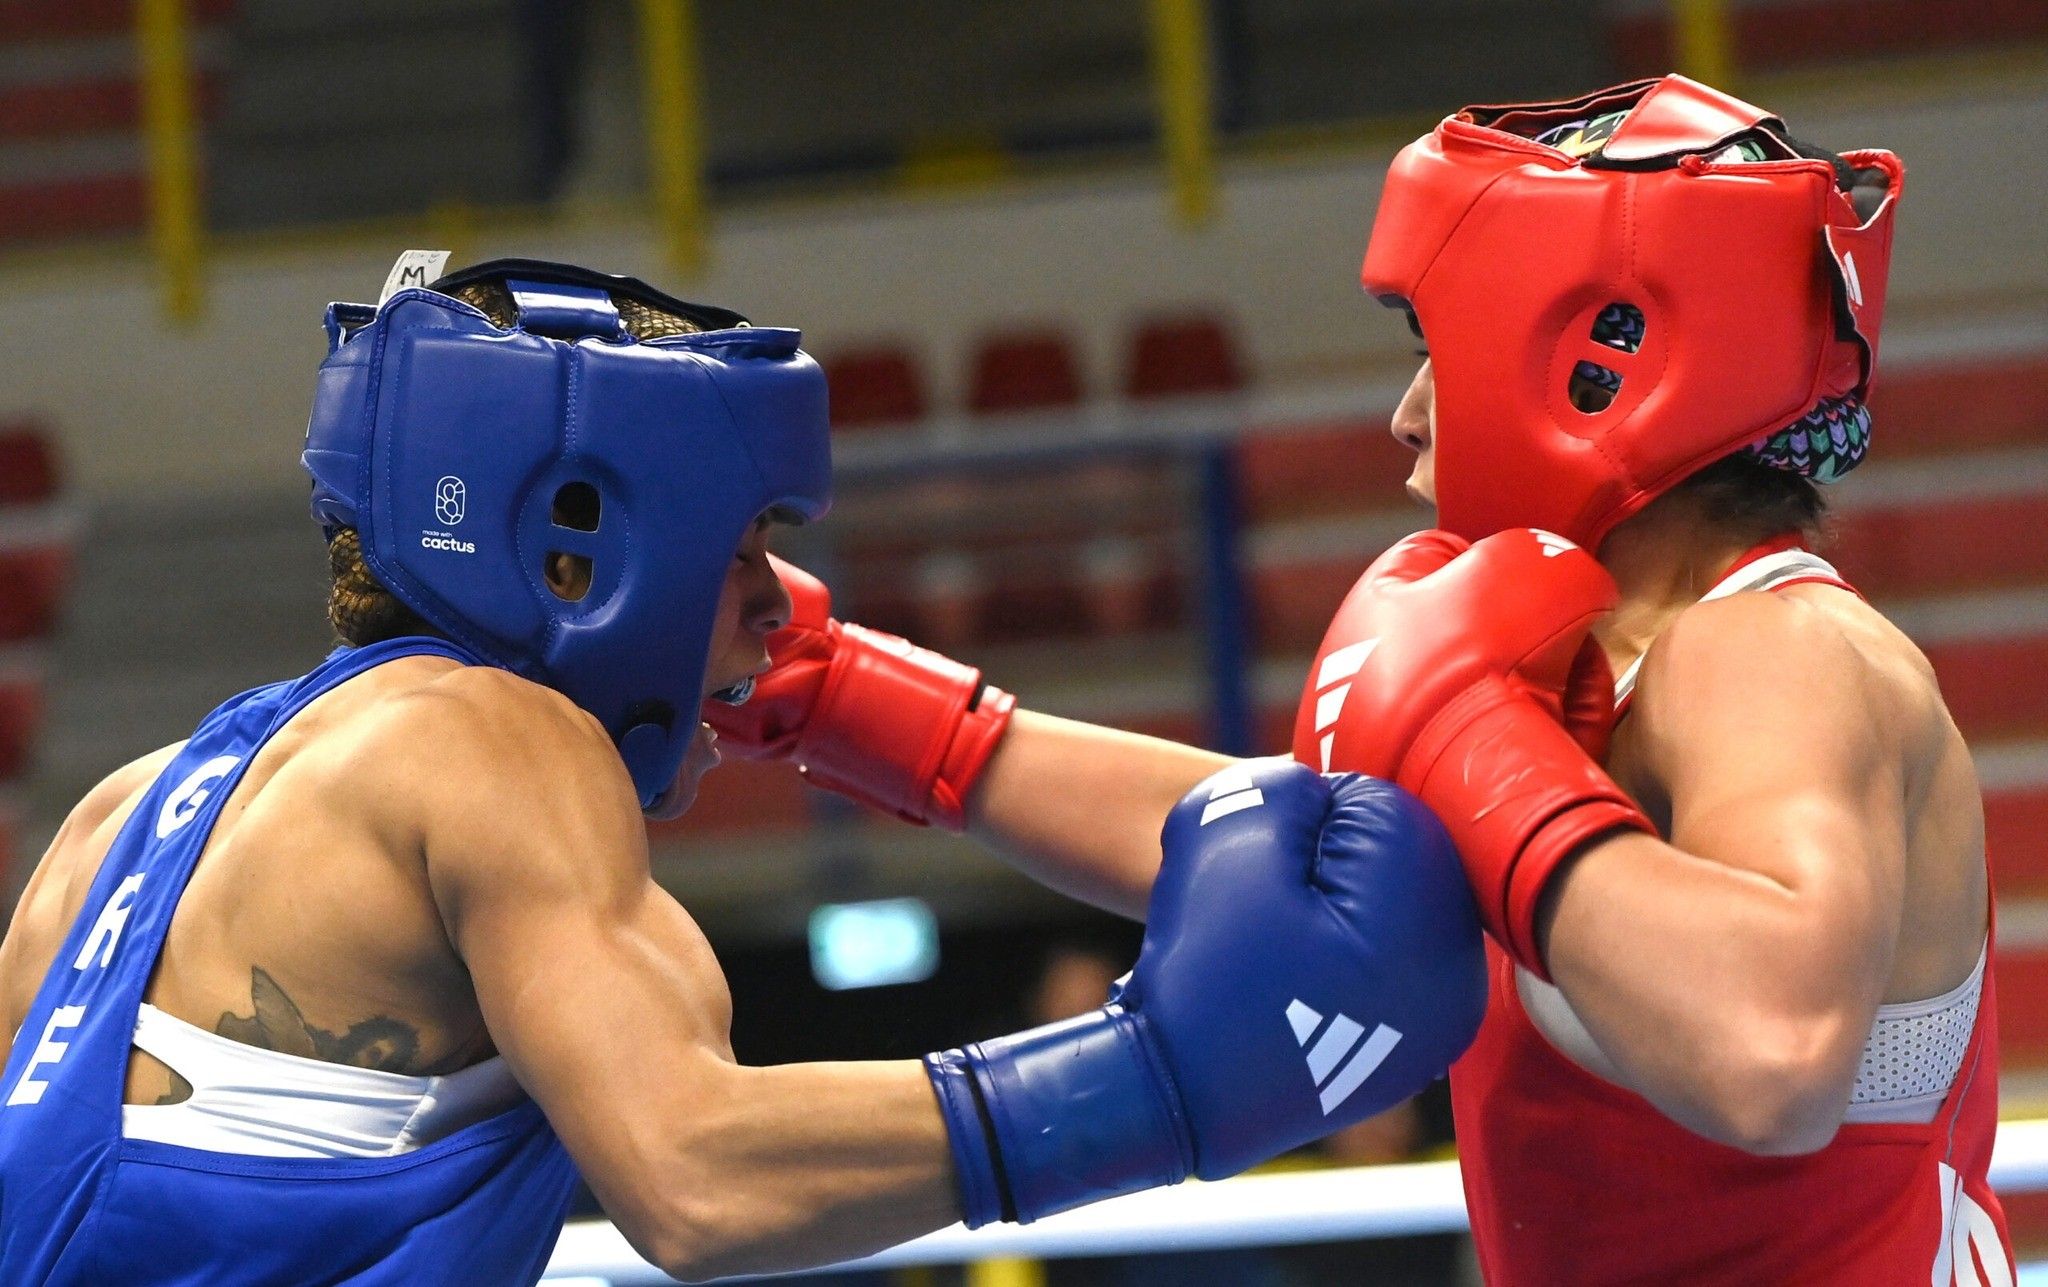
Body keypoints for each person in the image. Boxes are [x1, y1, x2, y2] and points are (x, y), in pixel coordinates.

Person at [710, 74, 2012, 1284]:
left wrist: (1469, 747)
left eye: (1436, 345)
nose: (1409, 415)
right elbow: (1252, 843)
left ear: (1601, 360)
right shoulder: (1574, 679)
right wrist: (838, 696)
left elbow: (1770, 1055)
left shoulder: (1773, 652)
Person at [0, 257, 1487, 1285]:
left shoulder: (123, 814)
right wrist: (1154, 1087)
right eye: (746, 544)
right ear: (576, 545)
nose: (780, 602)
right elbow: (697, 1181)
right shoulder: (498, 743)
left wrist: (882, 715)